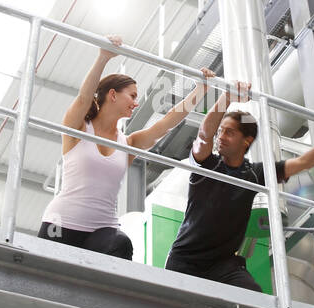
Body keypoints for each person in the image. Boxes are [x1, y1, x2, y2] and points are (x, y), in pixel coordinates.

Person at [40, 34, 214, 259]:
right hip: (62, 223)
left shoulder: (129, 144)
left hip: (102, 231)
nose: (136, 102)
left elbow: (167, 122)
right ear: (112, 94)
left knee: (121, 243)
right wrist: (103, 58)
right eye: (132, 95)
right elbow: (84, 98)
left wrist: (200, 90)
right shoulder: (78, 128)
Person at [165, 82, 314, 291]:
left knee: (254, 295)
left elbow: (304, 163)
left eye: (230, 133)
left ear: (246, 141)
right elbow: (204, 136)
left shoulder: (255, 173)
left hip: (223, 264)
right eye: (221, 131)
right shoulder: (207, 163)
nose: (221, 137)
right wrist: (226, 97)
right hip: (185, 260)